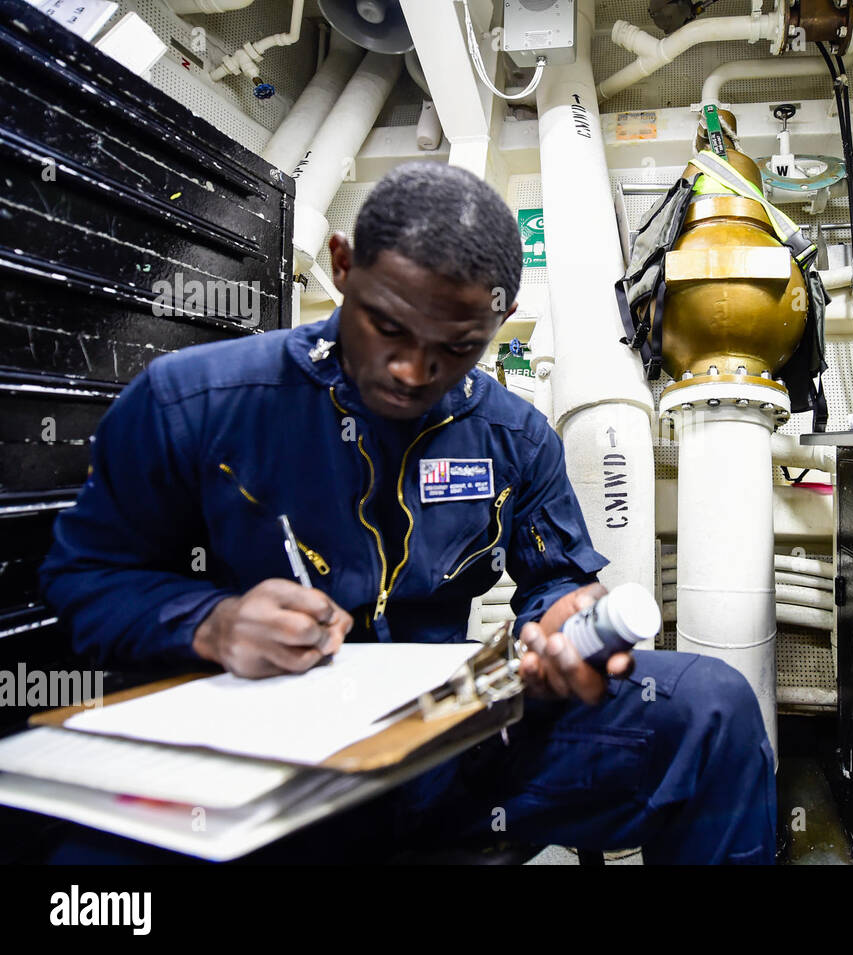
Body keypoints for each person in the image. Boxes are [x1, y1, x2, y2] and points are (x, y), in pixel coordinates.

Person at [38, 161, 776, 864]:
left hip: (449, 751)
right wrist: (212, 622)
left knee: (707, 705)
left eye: (456, 346)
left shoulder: (515, 436)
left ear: (501, 316)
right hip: (256, 761)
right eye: (387, 327)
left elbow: (555, 581)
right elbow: (85, 582)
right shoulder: (191, 403)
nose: (413, 371)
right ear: (342, 265)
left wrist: (559, 623)